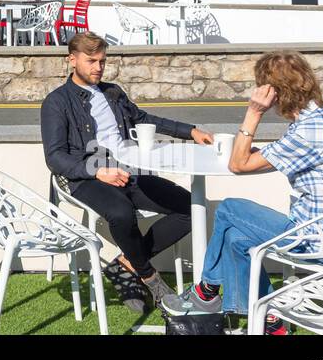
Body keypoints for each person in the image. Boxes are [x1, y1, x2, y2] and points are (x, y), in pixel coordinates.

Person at [161, 51, 323, 334]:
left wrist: (254, 112)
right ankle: (271, 321)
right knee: (237, 239)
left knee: (228, 209)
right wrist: (252, 155)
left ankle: (206, 292)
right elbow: (277, 155)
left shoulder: (308, 130)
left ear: (274, 92)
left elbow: (238, 165)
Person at [41, 31, 213, 309]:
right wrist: (97, 172)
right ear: (72, 60)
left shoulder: (113, 92)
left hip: (129, 171)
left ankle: (126, 264)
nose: (98, 68)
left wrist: (189, 131)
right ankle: (149, 276)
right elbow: (55, 156)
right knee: (121, 213)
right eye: (91, 61)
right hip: (88, 177)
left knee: (190, 207)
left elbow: (143, 119)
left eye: (102, 62)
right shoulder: (57, 101)